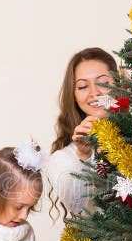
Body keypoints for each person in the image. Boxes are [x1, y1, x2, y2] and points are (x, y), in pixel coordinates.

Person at [46, 47, 118, 216]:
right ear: (74, 96)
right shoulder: (63, 158)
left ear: (119, 86)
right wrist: (84, 156)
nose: (95, 93)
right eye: (83, 86)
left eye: (104, 83)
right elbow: (77, 206)